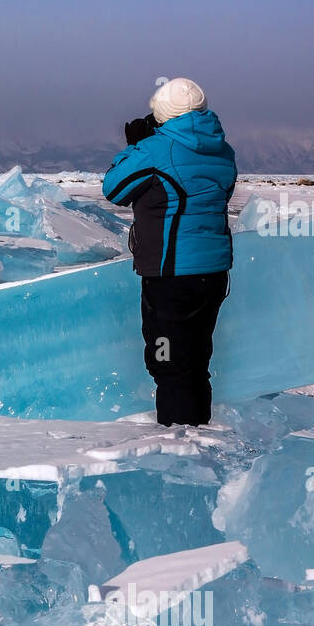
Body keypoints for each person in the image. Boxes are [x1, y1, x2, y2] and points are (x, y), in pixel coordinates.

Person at [102, 77, 237, 427]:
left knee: (167, 362)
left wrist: (136, 146)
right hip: (212, 273)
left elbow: (114, 188)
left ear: (160, 113)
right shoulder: (222, 150)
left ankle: (179, 444)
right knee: (194, 361)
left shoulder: (156, 151)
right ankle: (198, 434)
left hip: (171, 276)